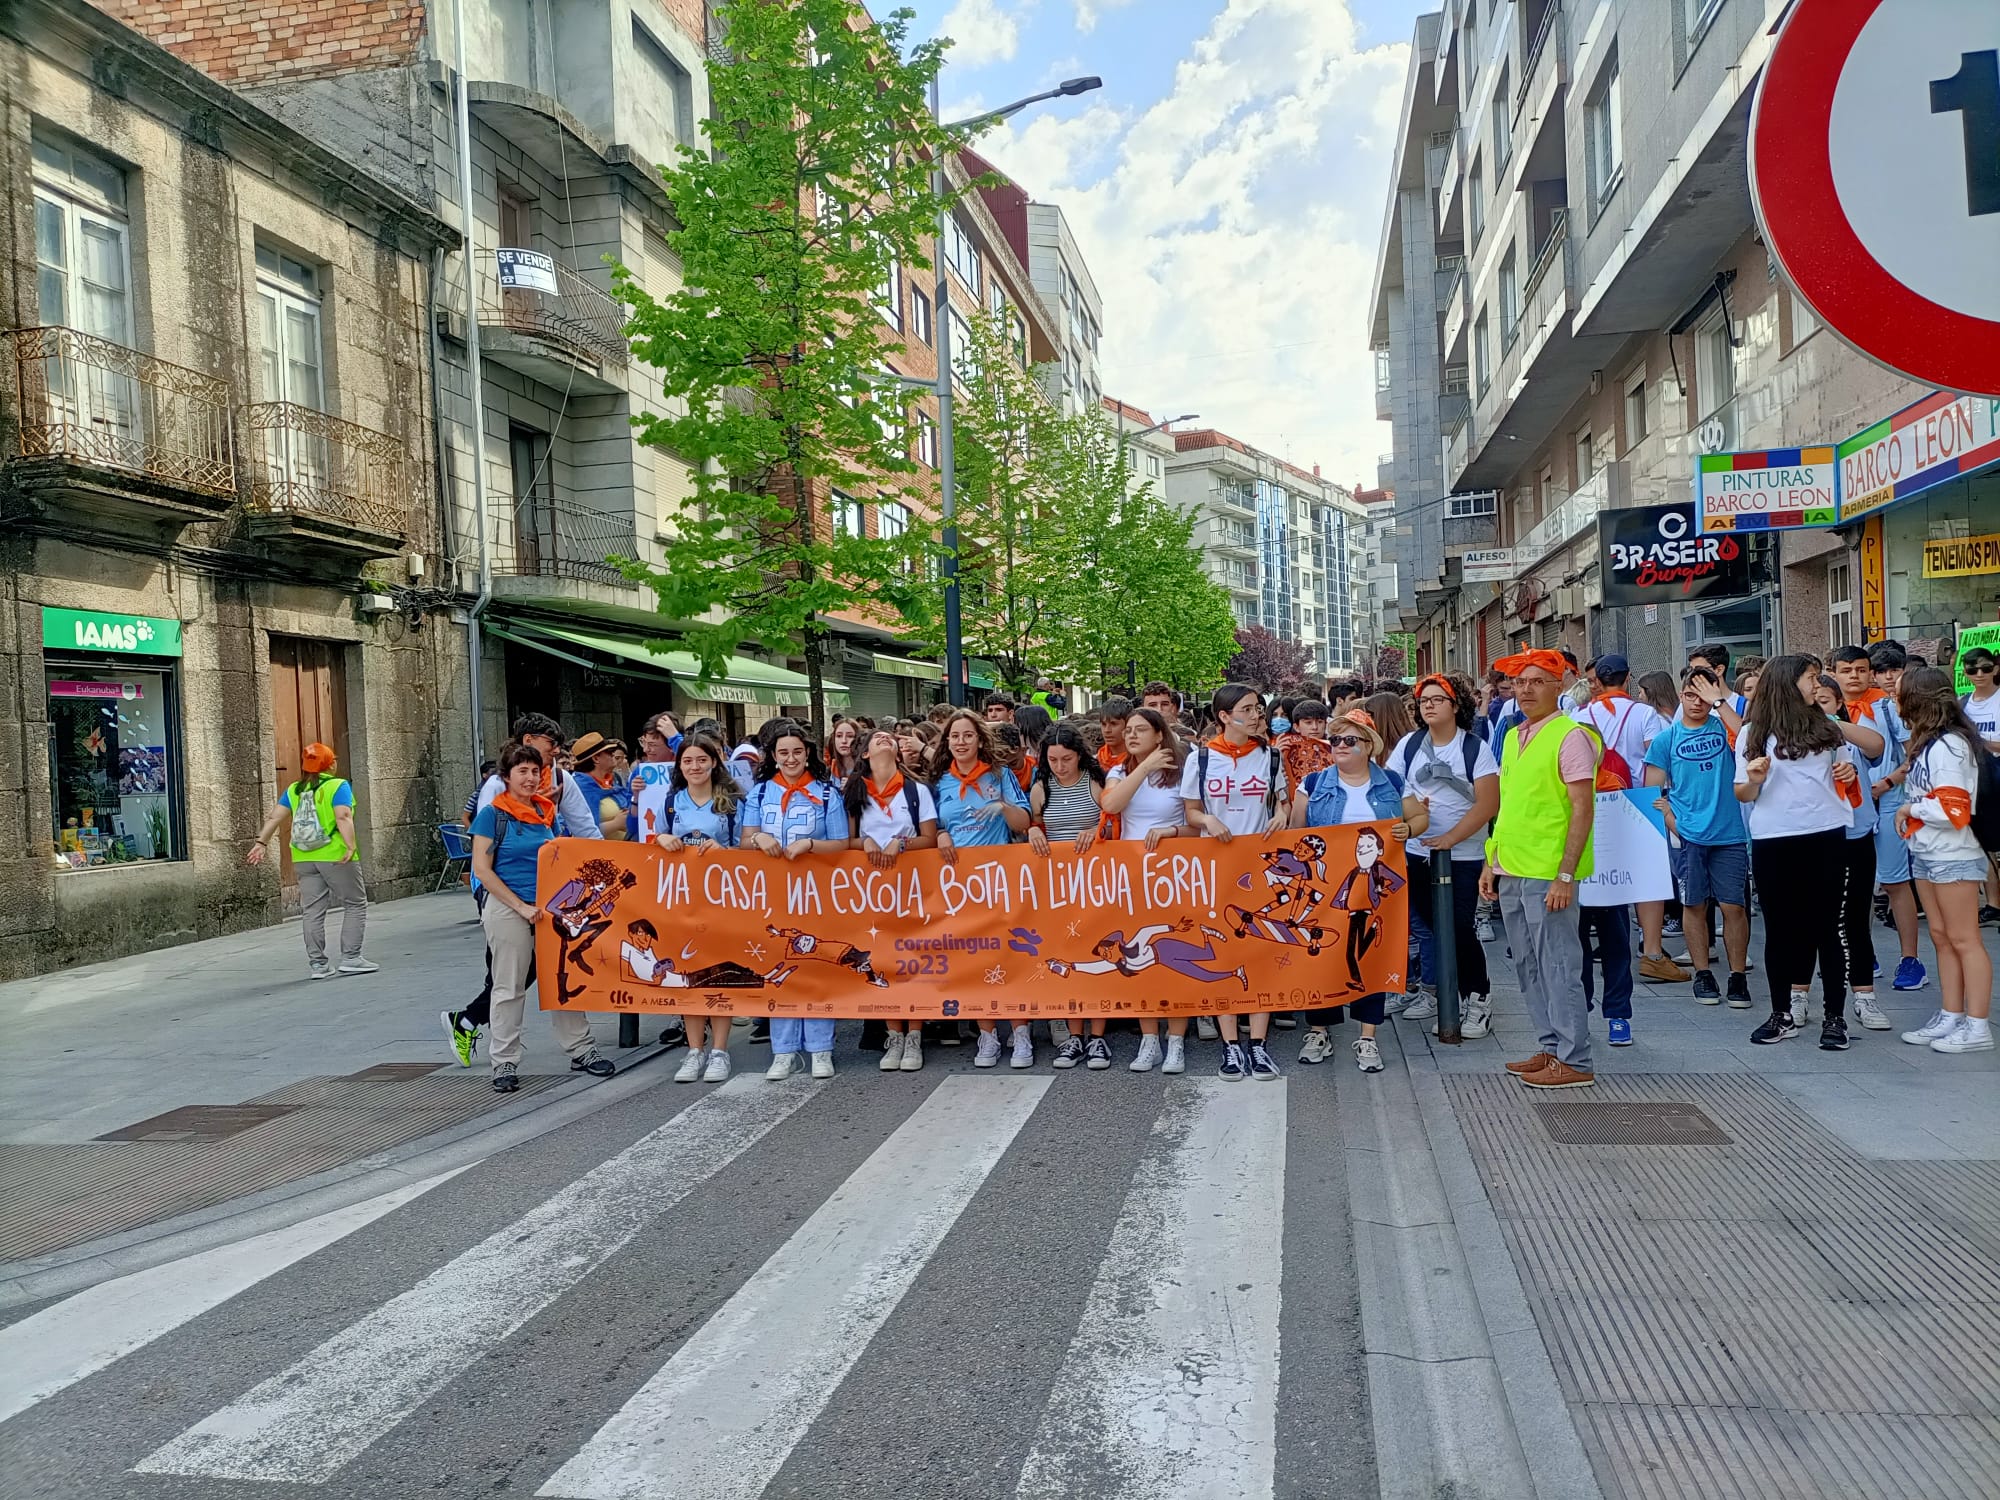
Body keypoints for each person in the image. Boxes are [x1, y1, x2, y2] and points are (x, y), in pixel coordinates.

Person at [443, 713, 608, 1066]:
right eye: (524, 772)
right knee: (508, 982)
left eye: (535, 772)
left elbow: (579, 836)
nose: (532, 777)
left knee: (563, 977)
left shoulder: (546, 810)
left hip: (547, 904)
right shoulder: (493, 811)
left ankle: (581, 1048)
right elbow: (482, 869)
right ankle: (504, 1059)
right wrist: (516, 906)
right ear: (507, 777)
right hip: (507, 902)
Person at [1480, 649, 1600, 1090]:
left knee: (1559, 965)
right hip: (1513, 866)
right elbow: (1509, 807)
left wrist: (1565, 875)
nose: (1525, 689)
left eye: (1537, 681)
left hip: (1549, 873)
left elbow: (1582, 809)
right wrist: (1493, 861)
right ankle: (1550, 1048)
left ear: (1558, 686)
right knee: (1528, 965)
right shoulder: (1514, 736)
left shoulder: (1570, 736)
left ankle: (1575, 1059)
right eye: (1520, 682)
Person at [1734, 656, 1866, 1050]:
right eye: (1810, 678)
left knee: (1827, 928)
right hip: (1773, 838)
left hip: (1825, 833)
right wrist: (1755, 779)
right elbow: (1742, 791)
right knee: (1779, 929)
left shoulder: (1827, 727)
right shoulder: (1752, 733)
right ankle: (1781, 1014)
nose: (1816, 684)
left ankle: (1835, 1018)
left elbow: (1846, 775)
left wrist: (1848, 774)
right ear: (1789, 684)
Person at [1290, 708, 1427, 1073]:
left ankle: (1367, 1036)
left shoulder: (1393, 783)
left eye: (1350, 740)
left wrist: (1408, 831)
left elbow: (1420, 817)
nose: (1340, 746)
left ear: (1369, 747)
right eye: (1335, 740)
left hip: (1374, 891)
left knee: (1371, 957)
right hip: (1326, 888)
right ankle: (1319, 1030)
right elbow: (1296, 830)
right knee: (1320, 955)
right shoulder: (1315, 783)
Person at [1182, 682, 1291, 1080]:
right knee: (1222, 954)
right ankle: (1230, 1045)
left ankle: (1258, 1045)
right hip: (1216, 866)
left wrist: (1282, 814)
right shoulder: (1202, 759)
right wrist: (1208, 820)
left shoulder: (1271, 757)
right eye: (1246, 709)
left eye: (1257, 708)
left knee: (1260, 952)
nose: (1256, 715)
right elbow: (1192, 811)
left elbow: (1283, 801)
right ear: (1225, 717)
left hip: (1259, 865)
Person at [740, 721, 850, 1078]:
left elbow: (842, 845)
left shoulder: (827, 793)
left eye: (797, 752)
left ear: (808, 754)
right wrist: (759, 840)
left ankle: (821, 1047)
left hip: (816, 893)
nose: (791, 759)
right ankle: (783, 1049)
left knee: (815, 964)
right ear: (773, 756)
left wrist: (811, 845)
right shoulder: (758, 794)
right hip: (773, 893)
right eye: (783, 752)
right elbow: (745, 839)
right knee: (780, 967)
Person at [1570, 653, 1682, 1003]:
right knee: (1646, 879)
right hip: (1639, 801)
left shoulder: (1579, 715)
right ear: (1628, 678)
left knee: (1598, 875)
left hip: (1593, 802)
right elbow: (1654, 757)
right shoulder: (1644, 713)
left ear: (1596, 681)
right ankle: (1651, 952)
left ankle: (1593, 943)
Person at [1392, 673, 1499, 1037]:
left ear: (1456, 706)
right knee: (1435, 926)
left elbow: (1489, 802)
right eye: (1424, 701)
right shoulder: (1407, 745)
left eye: (1438, 699)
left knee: (1459, 928)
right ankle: (1445, 995)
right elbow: (1390, 789)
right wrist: (1408, 811)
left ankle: (1478, 996)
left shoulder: (1474, 748)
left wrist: (1451, 838)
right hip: (1416, 852)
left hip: (1464, 855)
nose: (1430, 706)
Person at [1895, 666, 1993, 1054]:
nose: (1894, 697)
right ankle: (1952, 1014)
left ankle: (1977, 1024)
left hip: (1953, 854)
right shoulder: (1932, 743)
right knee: (1942, 936)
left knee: (1964, 938)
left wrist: (1910, 809)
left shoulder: (1949, 745)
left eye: (1900, 693)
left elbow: (1956, 810)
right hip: (1929, 852)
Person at [930, 711, 1034, 1065]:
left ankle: (1020, 1034)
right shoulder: (939, 782)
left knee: (1007, 956)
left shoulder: (1000, 776)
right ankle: (987, 1035)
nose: (961, 742)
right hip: (959, 885)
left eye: (967, 736)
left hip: (999, 880)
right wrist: (942, 834)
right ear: (947, 743)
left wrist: (1001, 806)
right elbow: (931, 828)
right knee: (973, 959)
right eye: (954, 736)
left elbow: (1023, 821)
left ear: (979, 741)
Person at [1645, 669, 1754, 1009]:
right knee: (1694, 904)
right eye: (1690, 695)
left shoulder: (1724, 727)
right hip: (1690, 834)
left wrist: (1719, 701)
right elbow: (1652, 788)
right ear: (1680, 696)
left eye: (1702, 696)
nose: (1696, 703)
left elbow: (1749, 739)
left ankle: (1738, 975)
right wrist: (1671, 820)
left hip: (1730, 831)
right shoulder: (1667, 739)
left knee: (1734, 906)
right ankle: (1703, 972)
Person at [1100, 707, 1196, 1072]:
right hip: (1132, 874)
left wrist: (1171, 832)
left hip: (1172, 876)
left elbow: (1195, 826)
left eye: (1141, 730)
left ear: (1160, 735)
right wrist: (1142, 766)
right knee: (1135, 955)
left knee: (1169, 957)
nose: (1132, 736)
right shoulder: (1119, 772)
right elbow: (1111, 804)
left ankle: (1175, 1040)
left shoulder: (1182, 774)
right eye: (1129, 732)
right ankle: (1148, 1038)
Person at [843, 729, 939, 1071]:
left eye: (890, 737)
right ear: (865, 754)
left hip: (912, 886)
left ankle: (914, 1033)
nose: (885, 739)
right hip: (871, 889)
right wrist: (865, 843)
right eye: (877, 737)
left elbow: (928, 837)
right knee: (880, 959)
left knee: (912, 957)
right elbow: (848, 840)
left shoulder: (917, 790)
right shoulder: (854, 791)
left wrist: (901, 843)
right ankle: (892, 1033)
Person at [1832, 645, 1925, 993]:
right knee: (1854, 885)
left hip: (1887, 801)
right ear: (1834, 672)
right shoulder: (1826, 705)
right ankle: (1862, 952)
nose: (1854, 676)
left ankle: (1910, 959)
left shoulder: (1887, 706)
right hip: (1847, 808)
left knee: (1893, 880)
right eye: (1846, 670)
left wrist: (1886, 783)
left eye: (1860, 669)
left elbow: (1912, 754)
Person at [654, 733, 745, 1083]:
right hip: (682, 900)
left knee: (717, 973)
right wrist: (662, 838)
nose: (695, 767)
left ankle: (720, 1051)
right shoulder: (673, 802)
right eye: (688, 761)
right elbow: (655, 840)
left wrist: (723, 852)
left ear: (714, 762)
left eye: (701, 760)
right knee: (687, 974)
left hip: (722, 898)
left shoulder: (732, 801)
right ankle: (695, 1050)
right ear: (679, 765)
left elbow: (747, 849)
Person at [245, 741, 376, 979]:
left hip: (304, 857)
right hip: (335, 855)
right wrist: (350, 846)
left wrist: (261, 843)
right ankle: (351, 958)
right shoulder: (339, 786)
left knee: (312, 910)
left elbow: (275, 817)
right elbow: (343, 816)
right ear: (330, 764)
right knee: (355, 904)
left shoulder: (295, 789)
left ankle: (318, 964)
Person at [1809, 673, 1889, 1029]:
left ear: (1838, 703)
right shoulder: (1798, 739)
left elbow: (1877, 747)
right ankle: (1799, 995)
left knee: (1856, 919)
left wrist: (1833, 723)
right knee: (1812, 921)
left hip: (1854, 836)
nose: (1817, 709)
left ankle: (1865, 997)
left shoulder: (1850, 735)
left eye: (1824, 701)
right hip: (1814, 837)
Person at [1958, 646, 2000, 924]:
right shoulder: (1962, 704)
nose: (1980, 674)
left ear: (1996, 668)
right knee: (1983, 842)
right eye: (1973, 669)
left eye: (1986, 667)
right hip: (1976, 778)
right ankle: (1993, 904)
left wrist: (1981, 743)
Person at [569, 732, 631, 839]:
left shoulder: (612, 783)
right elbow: (580, 832)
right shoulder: (579, 788)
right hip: (598, 854)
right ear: (596, 759)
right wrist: (615, 824)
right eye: (608, 752)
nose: (613, 754)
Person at [1276, 698, 1337, 789]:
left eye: (1320, 722)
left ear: (1326, 724)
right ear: (1296, 727)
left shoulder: (1336, 746)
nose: (1315, 727)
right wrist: (1276, 755)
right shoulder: (1286, 747)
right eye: (1308, 722)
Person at [1096, 697, 1133, 773]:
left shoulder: (1138, 761)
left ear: (1128, 725)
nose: (1107, 730)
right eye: (1103, 724)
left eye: (1113, 724)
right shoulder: (1095, 761)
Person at [463, 760, 496, 827]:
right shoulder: (476, 795)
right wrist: (474, 834)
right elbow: (465, 818)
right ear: (484, 775)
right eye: (493, 773)